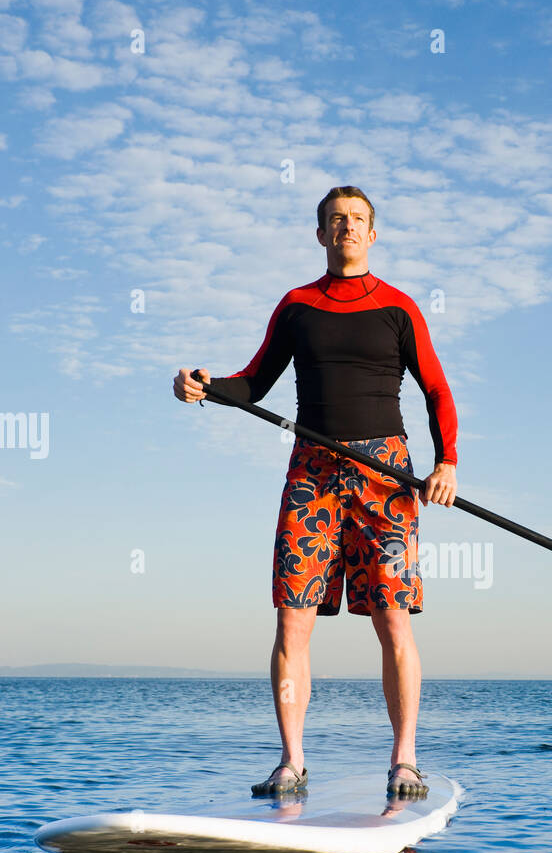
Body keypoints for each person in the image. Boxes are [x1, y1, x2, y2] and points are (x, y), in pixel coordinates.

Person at [173, 186, 458, 799]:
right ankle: (291, 763)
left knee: (393, 620)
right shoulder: (297, 306)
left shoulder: (400, 308)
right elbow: (253, 383)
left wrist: (448, 463)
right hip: (312, 474)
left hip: (386, 473)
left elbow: (437, 391)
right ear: (320, 234)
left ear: (372, 234)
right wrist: (205, 386)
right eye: (335, 220)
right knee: (292, 620)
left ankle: (404, 761)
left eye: (357, 220)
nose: (346, 228)